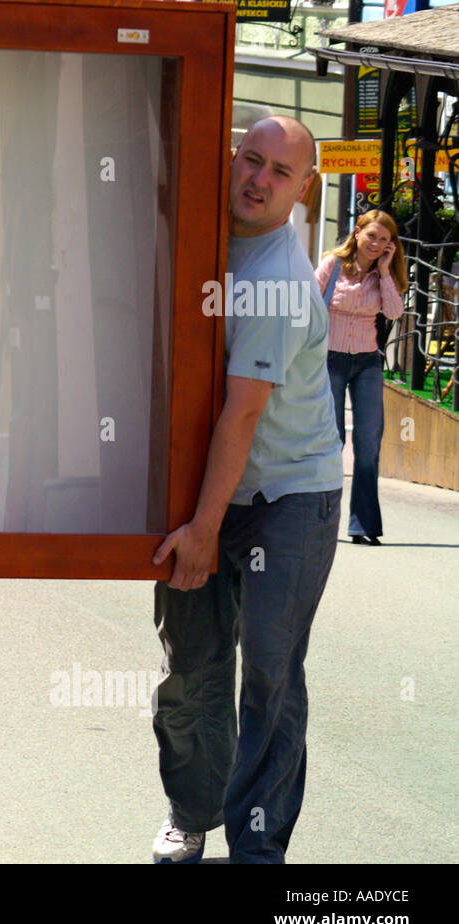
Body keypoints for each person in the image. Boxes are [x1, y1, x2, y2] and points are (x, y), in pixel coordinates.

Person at [149, 116, 343, 864]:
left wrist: (201, 530)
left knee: (267, 671)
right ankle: (190, 814)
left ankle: (257, 850)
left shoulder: (278, 282)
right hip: (205, 488)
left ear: (303, 189)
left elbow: (242, 414)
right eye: (251, 160)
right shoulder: (196, 235)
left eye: (280, 172)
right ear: (231, 157)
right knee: (191, 666)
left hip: (288, 499)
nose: (259, 180)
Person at [314, 210, 406, 546]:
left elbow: (394, 312)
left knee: (368, 442)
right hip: (330, 360)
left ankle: (363, 525)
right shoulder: (332, 264)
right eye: (372, 236)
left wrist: (384, 272)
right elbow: (307, 305)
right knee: (331, 441)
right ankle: (319, 521)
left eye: (384, 240)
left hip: (367, 363)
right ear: (357, 233)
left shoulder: (383, 275)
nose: (376, 244)